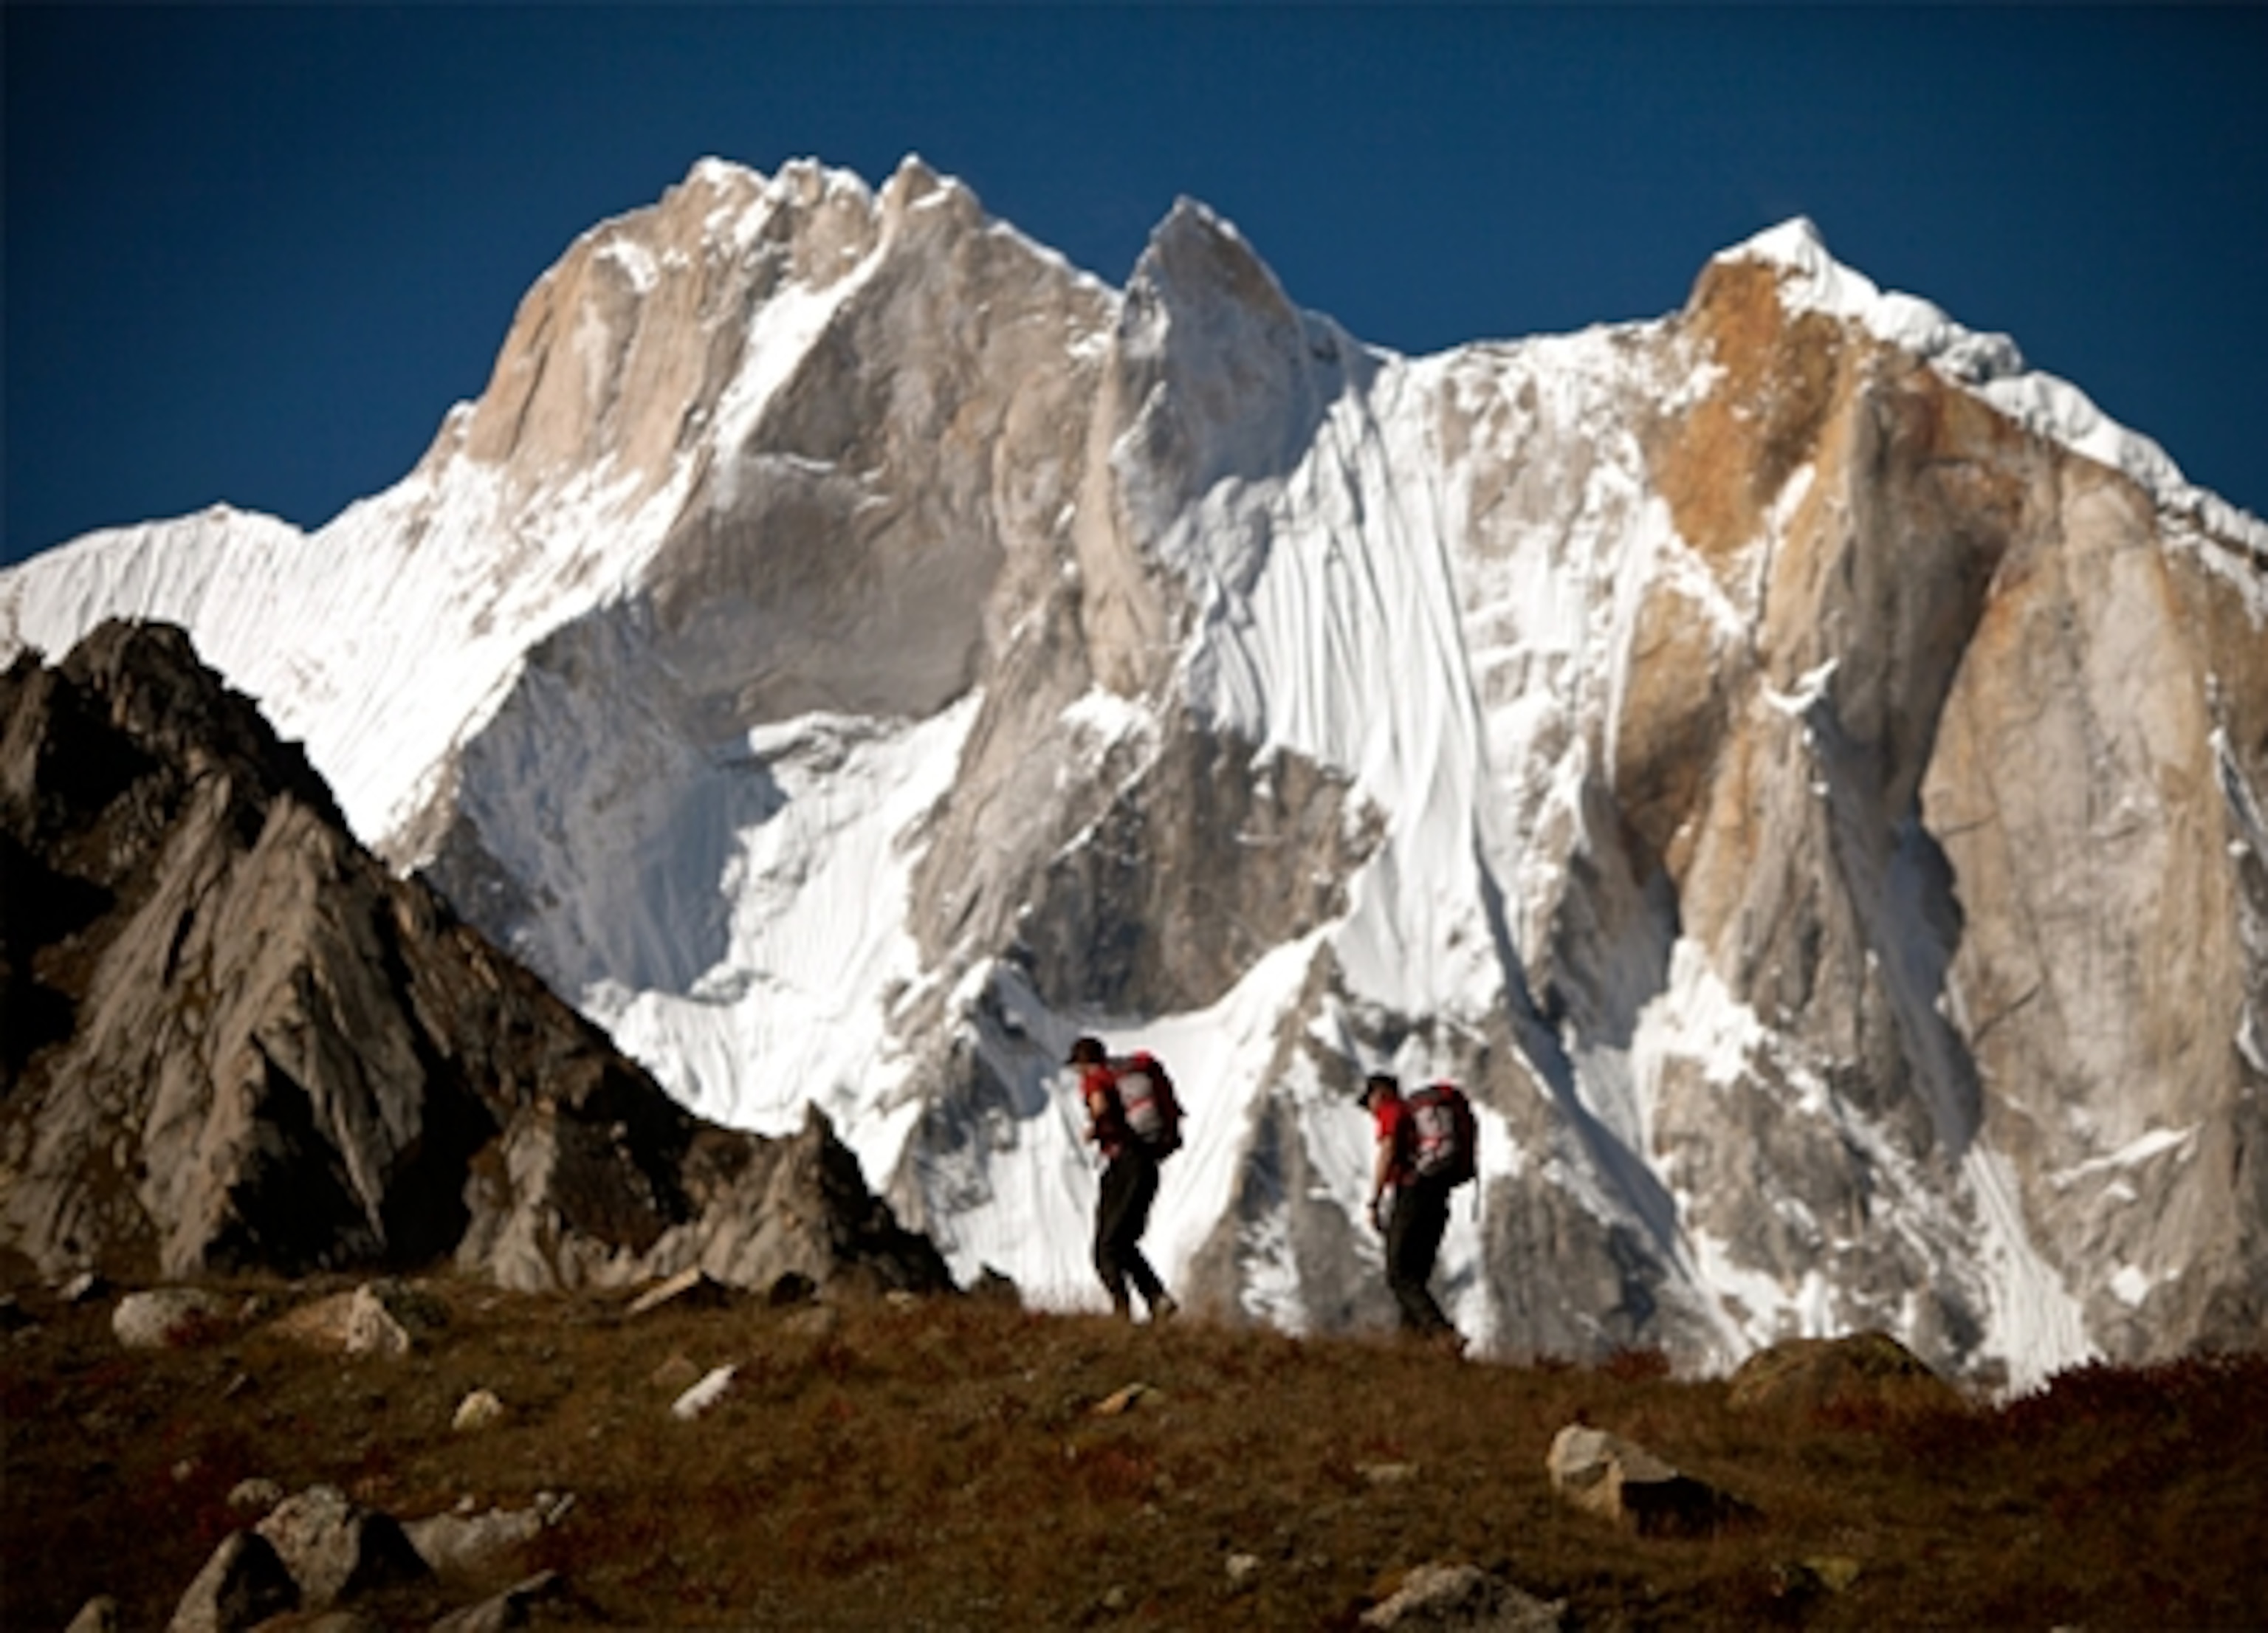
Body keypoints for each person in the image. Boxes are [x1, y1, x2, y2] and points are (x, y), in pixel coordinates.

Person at [1068, 1035, 1178, 1323]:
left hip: (1125, 1165)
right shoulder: (1127, 1073)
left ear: (1083, 1065)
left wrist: (1095, 1126)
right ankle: (1158, 1300)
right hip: (1147, 1167)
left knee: (1106, 1246)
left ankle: (1122, 1313)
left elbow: (1100, 1105)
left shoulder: (1096, 1079)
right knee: (1124, 1241)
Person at [1358, 1072, 1460, 1348]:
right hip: (1438, 1197)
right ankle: (1409, 1347)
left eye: (1368, 1103)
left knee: (1398, 1272)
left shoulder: (1392, 1111)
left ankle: (1442, 1335)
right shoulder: (1418, 1120)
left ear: (1378, 1095)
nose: (1369, 1111)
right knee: (1415, 1274)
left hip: (1414, 1194)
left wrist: (1374, 1199)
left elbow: (1388, 1149)